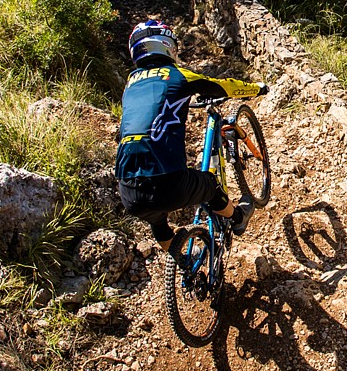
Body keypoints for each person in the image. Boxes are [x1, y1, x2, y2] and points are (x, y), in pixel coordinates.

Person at [114, 19, 266, 245]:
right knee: (210, 184)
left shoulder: (130, 84)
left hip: (128, 190)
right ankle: (238, 217)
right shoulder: (176, 75)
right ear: (167, 44)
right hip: (169, 184)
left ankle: (180, 261)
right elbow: (222, 86)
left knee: (157, 220)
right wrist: (256, 89)